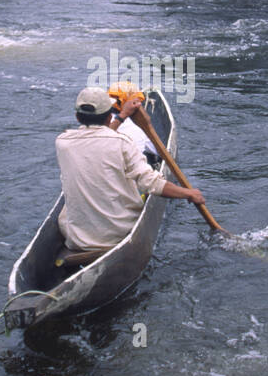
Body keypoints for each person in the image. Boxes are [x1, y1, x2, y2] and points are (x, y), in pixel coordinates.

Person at [55, 86, 205, 252]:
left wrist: (121, 117)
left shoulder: (62, 142)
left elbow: (98, 139)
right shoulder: (121, 142)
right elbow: (151, 183)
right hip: (119, 234)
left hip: (76, 239)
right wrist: (189, 193)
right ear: (108, 118)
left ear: (77, 117)